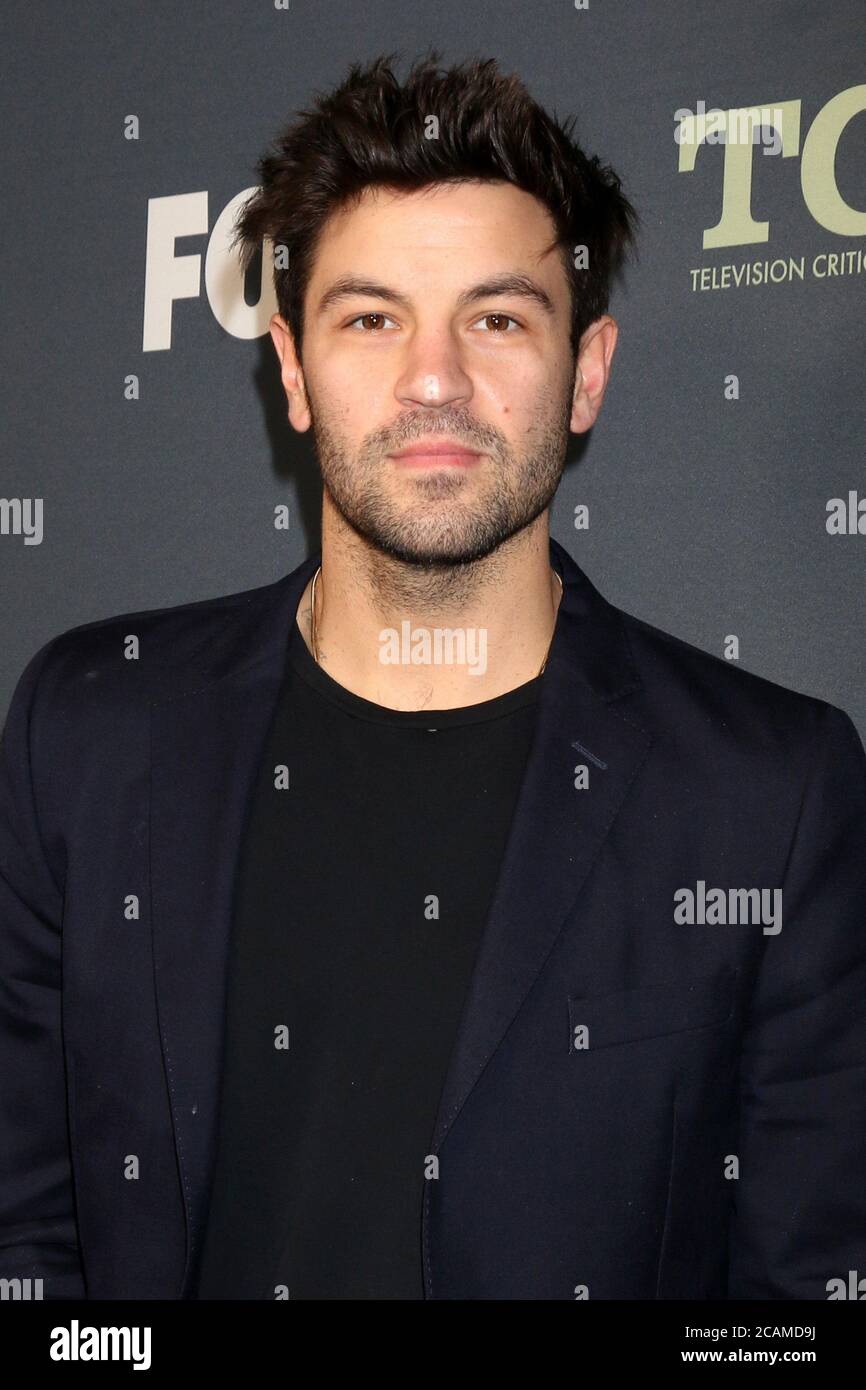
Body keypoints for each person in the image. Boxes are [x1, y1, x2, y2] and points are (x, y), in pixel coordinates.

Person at [1, 52, 865, 1302]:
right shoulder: (87, 730)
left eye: (497, 317)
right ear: (292, 371)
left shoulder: (769, 793)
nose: (433, 378)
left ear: (588, 371)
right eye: (370, 317)